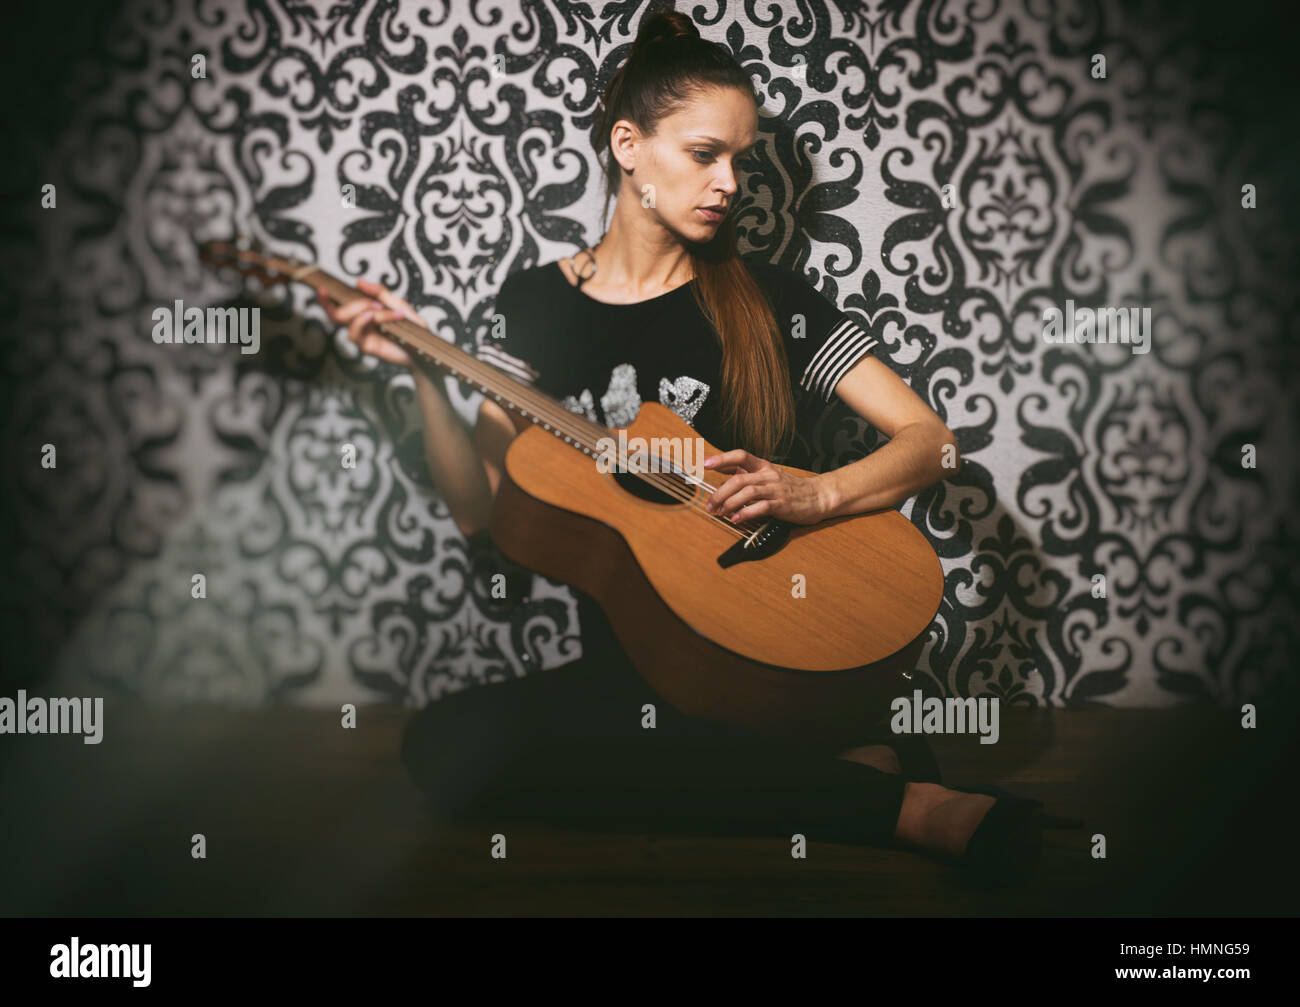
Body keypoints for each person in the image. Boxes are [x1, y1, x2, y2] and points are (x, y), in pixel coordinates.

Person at [317, 8, 1046, 881]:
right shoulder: (535, 307)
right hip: (634, 680)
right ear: (628, 146)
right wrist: (426, 374)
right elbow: (482, 509)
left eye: (740, 158)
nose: (730, 181)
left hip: (772, 646)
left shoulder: (771, 298)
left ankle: (888, 800)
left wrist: (810, 493)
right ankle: (875, 793)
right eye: (706, 155)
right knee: (444, 742)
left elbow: (933, 444)